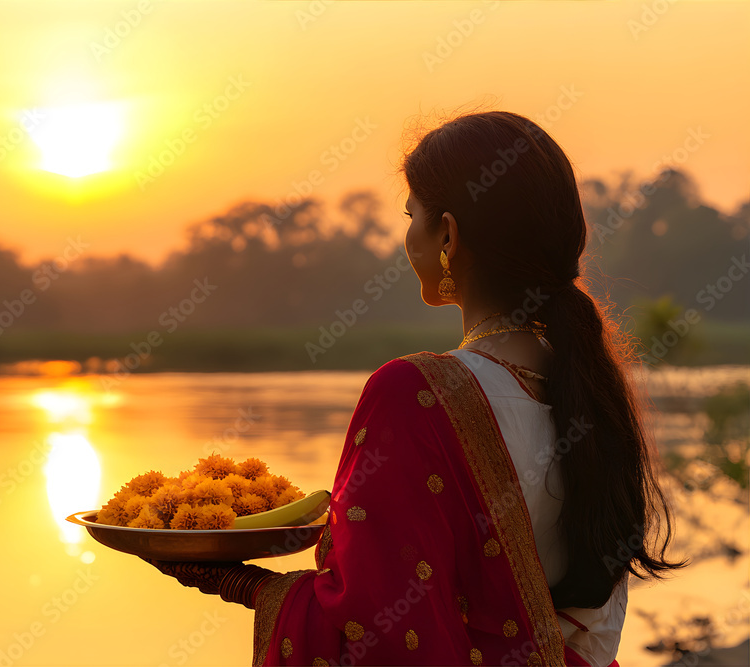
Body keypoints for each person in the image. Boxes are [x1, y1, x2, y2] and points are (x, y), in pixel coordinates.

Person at [144, 110, 686, 666]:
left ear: (447, 234)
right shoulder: (594, 391)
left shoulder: (414, 394)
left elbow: (376, 633)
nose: (406, 236)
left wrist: (243, 584)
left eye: (410, 215)